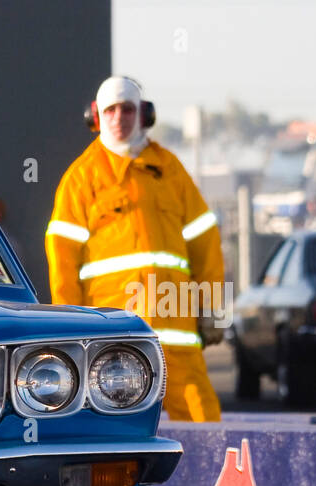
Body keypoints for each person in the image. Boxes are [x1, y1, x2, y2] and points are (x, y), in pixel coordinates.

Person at [46, 76, 224, 422]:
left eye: (127, 109)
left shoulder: (171, 170)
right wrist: (67, 327)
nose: (119, 117)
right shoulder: (81, 178)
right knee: (117, 431)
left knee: (206, 427)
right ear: (95, 117)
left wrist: (215, 311)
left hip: (178, 332)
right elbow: (62, 259)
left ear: (144, 114)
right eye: (110, 110)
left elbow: (206, 243)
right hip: (113, 337)